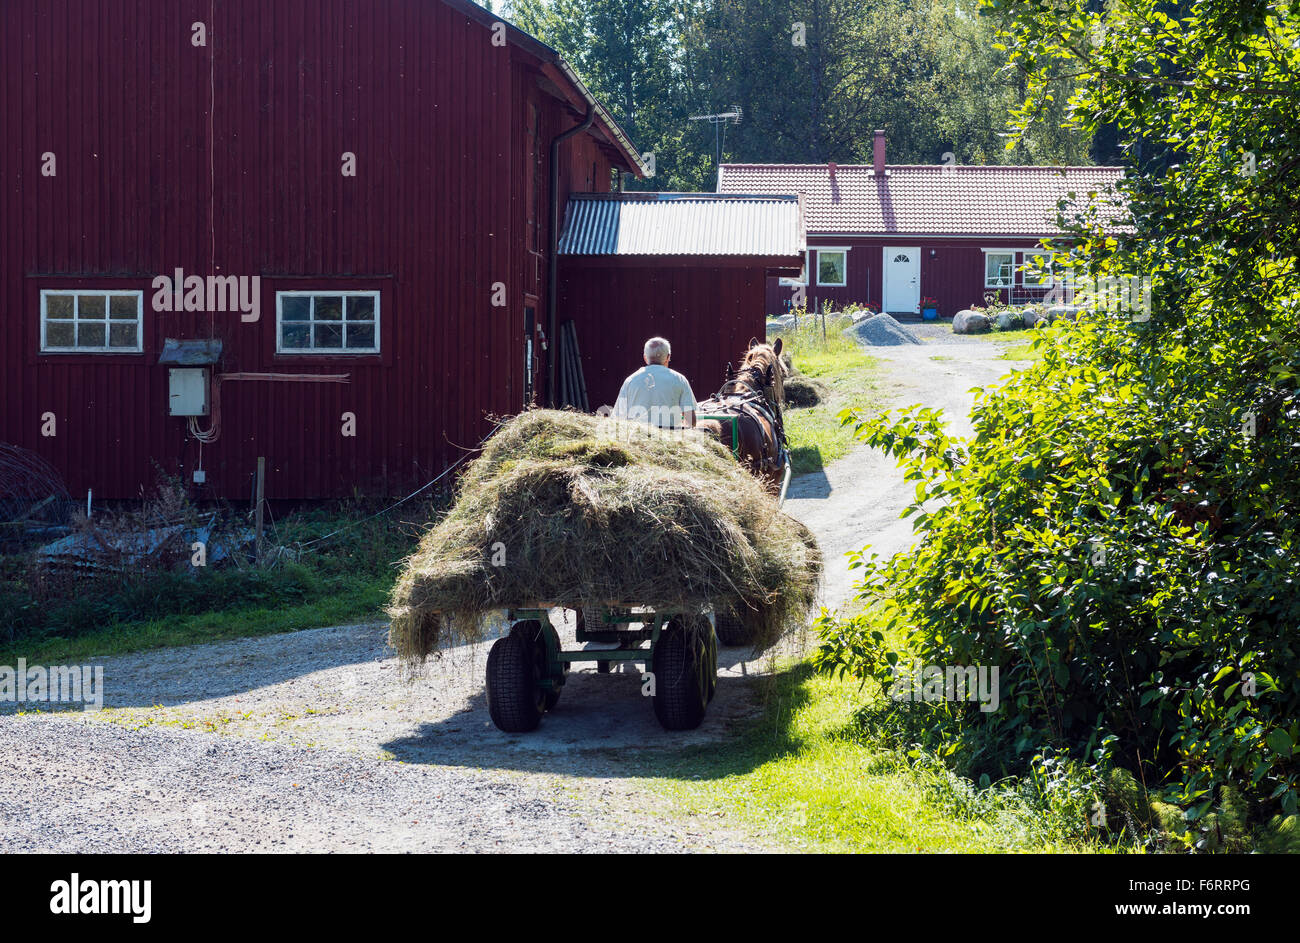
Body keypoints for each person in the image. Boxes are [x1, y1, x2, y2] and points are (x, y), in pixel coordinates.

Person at [612, 336, 697, 429]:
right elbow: (691, 421)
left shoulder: (630, 381)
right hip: (670, 441)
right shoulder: (680, 380)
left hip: (637, 440)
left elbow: (618, 419)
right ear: (668, 357)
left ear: (645, 357)